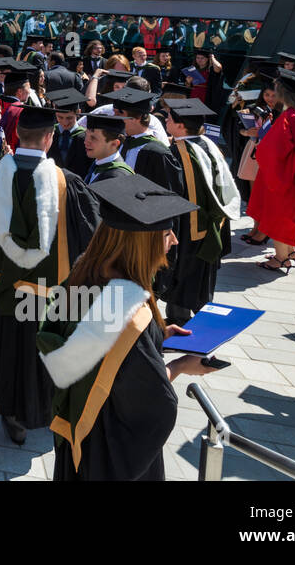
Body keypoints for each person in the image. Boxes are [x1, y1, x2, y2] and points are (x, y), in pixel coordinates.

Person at [38, 174, 212, 480]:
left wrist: (157, 336)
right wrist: (183, 365)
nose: (173, 241)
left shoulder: (84, 270)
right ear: (141, 243)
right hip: (107, 447)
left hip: (76, 429)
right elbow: (152, 406)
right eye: (166, 233)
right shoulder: (129, 313)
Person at [0, 105, 100, 444]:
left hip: (0, 291)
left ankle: (11, 413)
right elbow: (88, 241)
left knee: (7, 350)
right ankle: (42, 409)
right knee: (42, 350)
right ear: (50, 138)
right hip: (48, 295)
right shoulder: (68, 184)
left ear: (16, 136)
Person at [160, 98, 242, 322]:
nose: (166, 120)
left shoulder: (178, 153)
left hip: (188, 230)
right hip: (210, 225)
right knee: (202, 281)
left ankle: (179, 324)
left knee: (181, 279)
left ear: (180, 126)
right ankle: (200, 325)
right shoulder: (207, 144)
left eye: (169, 118)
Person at [251, 72, 295, 272]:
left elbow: (272, 150)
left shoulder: (288, 117)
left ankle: (281, 259)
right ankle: (290, 252)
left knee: (279, 216)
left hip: (288, 176)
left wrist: (261, 145)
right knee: (290, 216)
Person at [82, 114, 133, 183]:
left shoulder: (118, 176)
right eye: (86, 135)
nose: (86, 142)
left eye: (93, 138)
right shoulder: (97, 165)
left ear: (114, 144)